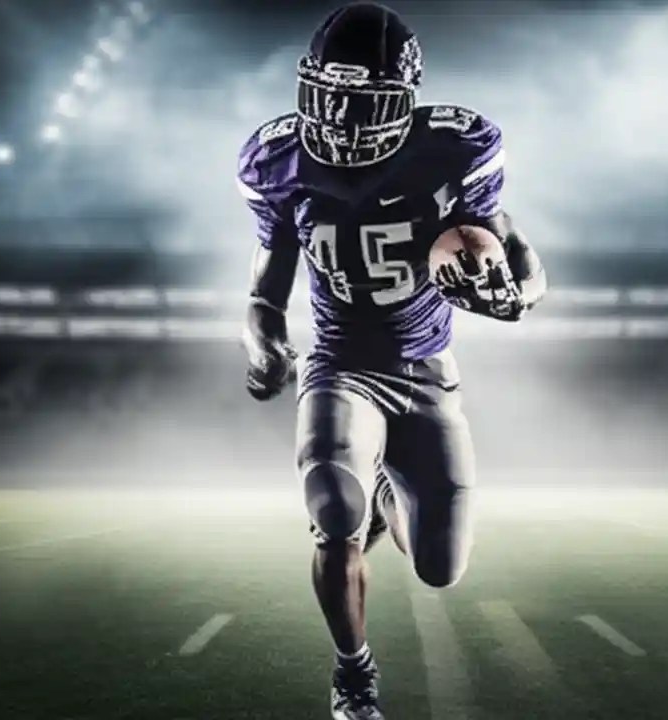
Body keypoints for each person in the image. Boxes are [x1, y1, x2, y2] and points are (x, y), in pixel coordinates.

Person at [236, 4, 546, 718]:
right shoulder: (278, 160)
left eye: (363, 103)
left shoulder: (453, 148)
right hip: (339, 365)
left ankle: (387, 493)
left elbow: (517, 249)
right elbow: (264, 291)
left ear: (402, 101)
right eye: (329, 99)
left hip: (429, 373)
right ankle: (353, 675)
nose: (342, 121)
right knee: (332, 508)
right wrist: (264, 344)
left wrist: (519, 296)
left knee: (440, 569)